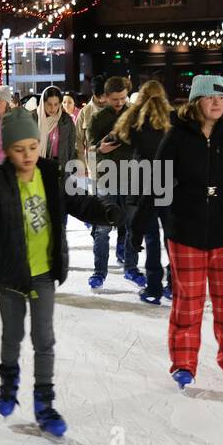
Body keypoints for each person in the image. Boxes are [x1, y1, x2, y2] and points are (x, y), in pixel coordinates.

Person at [0, 108, 120, 437]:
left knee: (44, 340)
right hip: (10, 274)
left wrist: (105, 211)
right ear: (8, 149)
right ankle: (8, 383)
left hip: (44, 272)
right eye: (19, 149)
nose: (27, 155)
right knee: (13, 336)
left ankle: (45, 403)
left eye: (33, 146)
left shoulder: (52, 174)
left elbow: (79, 202)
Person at [154, 74, 223, 389]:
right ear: (195, 102)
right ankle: (184, 364)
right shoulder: (176, 137)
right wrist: (162, 222)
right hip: (186, 232)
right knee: (187, 303)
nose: (216, 103)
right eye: (209, 97)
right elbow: (158, 183)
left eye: (221, 98)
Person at [113, 79, 174, 304]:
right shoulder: (171, 118)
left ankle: (154, 287)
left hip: (143, 182)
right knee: (171, 237)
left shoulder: (134, 118)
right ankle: (174, 286)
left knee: (150, 238)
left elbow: (118, 136)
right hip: (168, 180)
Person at [86, 76, 133, 288]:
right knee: (103, 227)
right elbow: (91, 146)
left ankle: (131, 268)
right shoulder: (97, 118)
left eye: (123, 98)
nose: (120, 102)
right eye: (115, 99)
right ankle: (99, 272)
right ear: (105, 97)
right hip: (106, 177)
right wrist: (99, 148)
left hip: (132, 176)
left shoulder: (134, 114)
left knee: (130, 224)